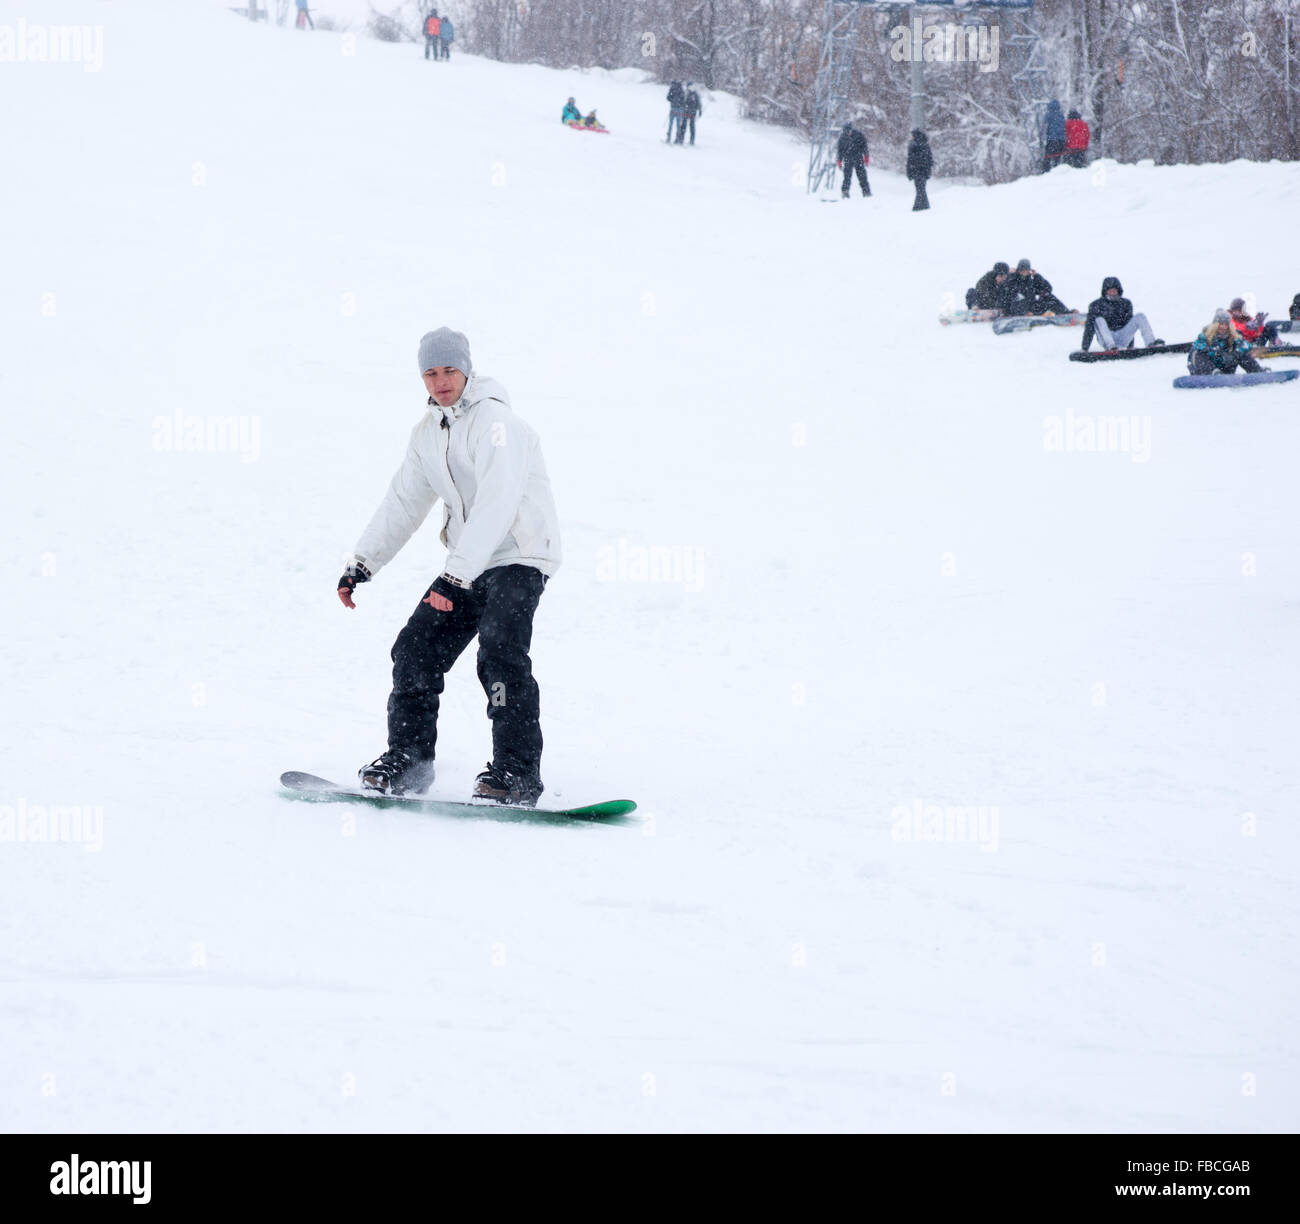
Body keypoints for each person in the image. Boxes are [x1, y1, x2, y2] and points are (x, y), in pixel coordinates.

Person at [337, 329, 562, 806]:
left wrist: (454, 576)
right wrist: (363, 562)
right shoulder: (427, 434)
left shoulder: (498, 424)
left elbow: (498, 504)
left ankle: (516, 772)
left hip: (519, 556)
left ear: (467, 370)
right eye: (430, 373)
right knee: (415, 649)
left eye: (449, 371)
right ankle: (411, 761)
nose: (440, 381)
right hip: (468, 563)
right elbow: (403, 502)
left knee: (500, 649)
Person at [1080, 277, 1163, 351]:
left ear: (1118, 290)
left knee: (1140, 316)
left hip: (1122, 336)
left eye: (1114, 290)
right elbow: (1089, 327)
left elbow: (1129, 322)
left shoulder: (1126, 303)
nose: (1112, 292)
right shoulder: (1095, 305)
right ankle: (1111, 347)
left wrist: (1130, 348)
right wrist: (1085, 348)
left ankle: (1151, 343)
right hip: (1106, 338)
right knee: (1099, 319)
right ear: (1105, 291)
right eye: (1110, 290)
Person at [1188, 310, 1263, 375]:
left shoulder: (1234, 338)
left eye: (1226, 324)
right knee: (1199, 354)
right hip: (1206, 371)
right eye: (1221, 324)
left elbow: (1246, 346)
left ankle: (1257, 371)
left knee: (1242, 353)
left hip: (1225, 370)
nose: (1223, 327)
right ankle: (1213, 373)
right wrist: (1215, 352)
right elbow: (1197, 347)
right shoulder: (1204, 337)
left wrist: (1235, 353)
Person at [1003, 258, 1071, 316]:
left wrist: (1037, 276)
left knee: (1049, 297)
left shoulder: (1032, 281)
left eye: (1025, 270)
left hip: (1032, 308)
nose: (1023, 272)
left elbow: (1048, 288)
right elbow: (1007, 293)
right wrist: (1010, 275)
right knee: (1017, 299)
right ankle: (1026, 314)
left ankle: (1067, 314)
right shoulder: (1012, 279)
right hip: (1017, 309)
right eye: (1021, 270)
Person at [835, 122, 870, 198]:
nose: (848, 133)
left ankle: (866, 192)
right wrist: (839, 161)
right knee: (847, 177)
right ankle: (845, 192)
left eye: (849, 131)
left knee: (862, 176)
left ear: (851, 129)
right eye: (846, 132)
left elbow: (865, 147)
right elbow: (840, 151)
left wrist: (866, 157)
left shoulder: (859, 135)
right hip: (848, 159)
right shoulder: (842, 138)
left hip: (858, 158)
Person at [906, 129, 932, 211]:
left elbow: (910, 160)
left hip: (917, 171)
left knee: (920, 189)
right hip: (922, 171)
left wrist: (909, 171)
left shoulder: (914, 146)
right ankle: (924, 205)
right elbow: (929, 160)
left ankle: (919, 206)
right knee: (921, 188)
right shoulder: (925, 145)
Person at [1042, 99, 1066, 172]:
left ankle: (1046, 171)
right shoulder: (1061, 115)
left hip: (1052, 139)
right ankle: (1057, 170)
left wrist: (1043, 137)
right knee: (1057, 156)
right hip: (1061, 139)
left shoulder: (1048, 115)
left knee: (1047, 156)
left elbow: (1044, 126)